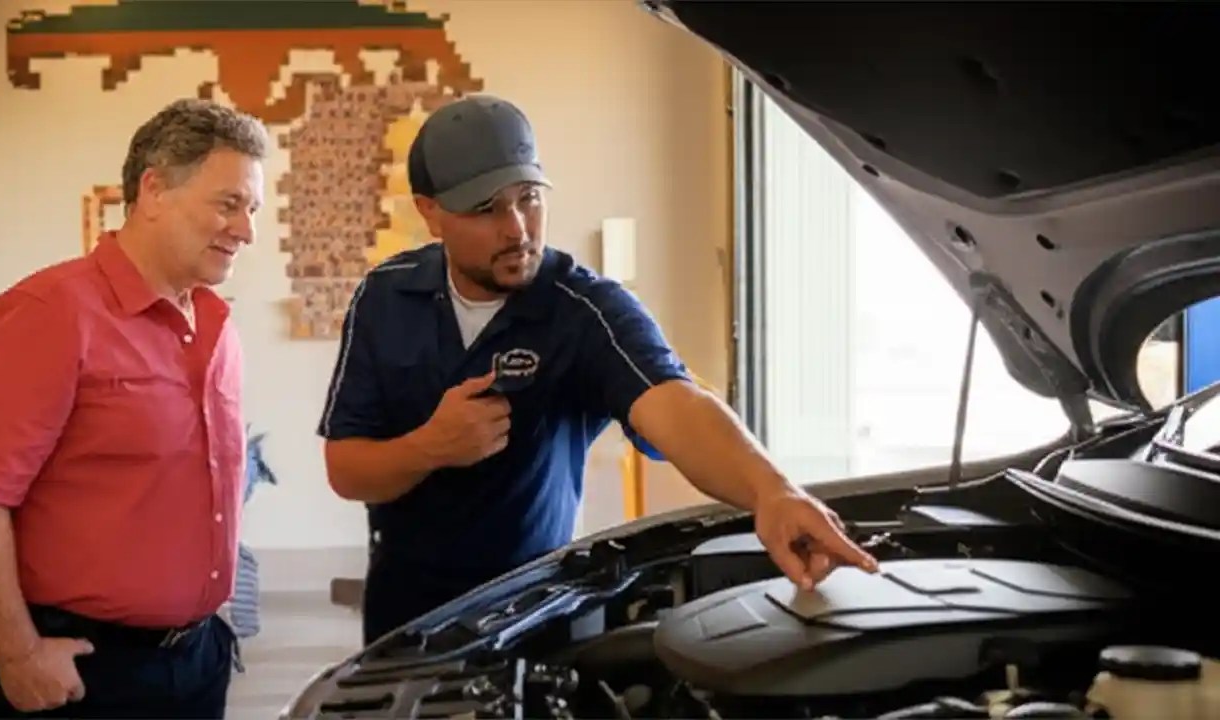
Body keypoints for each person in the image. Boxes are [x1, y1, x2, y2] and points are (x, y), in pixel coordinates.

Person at [318, 94, 879, 645]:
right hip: (403, 615)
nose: (517, 228)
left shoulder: (584, 311)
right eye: (486, 209)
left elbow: (676, 404)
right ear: (430, 211)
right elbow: (347, 469)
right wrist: (432, 446)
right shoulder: (384, 297)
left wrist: (770, 491)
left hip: (529, 617)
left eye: (529, 198)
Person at [0, 98, 266, 718]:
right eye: (229, 204)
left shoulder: (219, 326)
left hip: (196, 661)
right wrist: (16, 656)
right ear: (153, 190)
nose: (246, 230)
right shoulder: (50, 312)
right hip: (77, 668)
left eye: (251, 209)